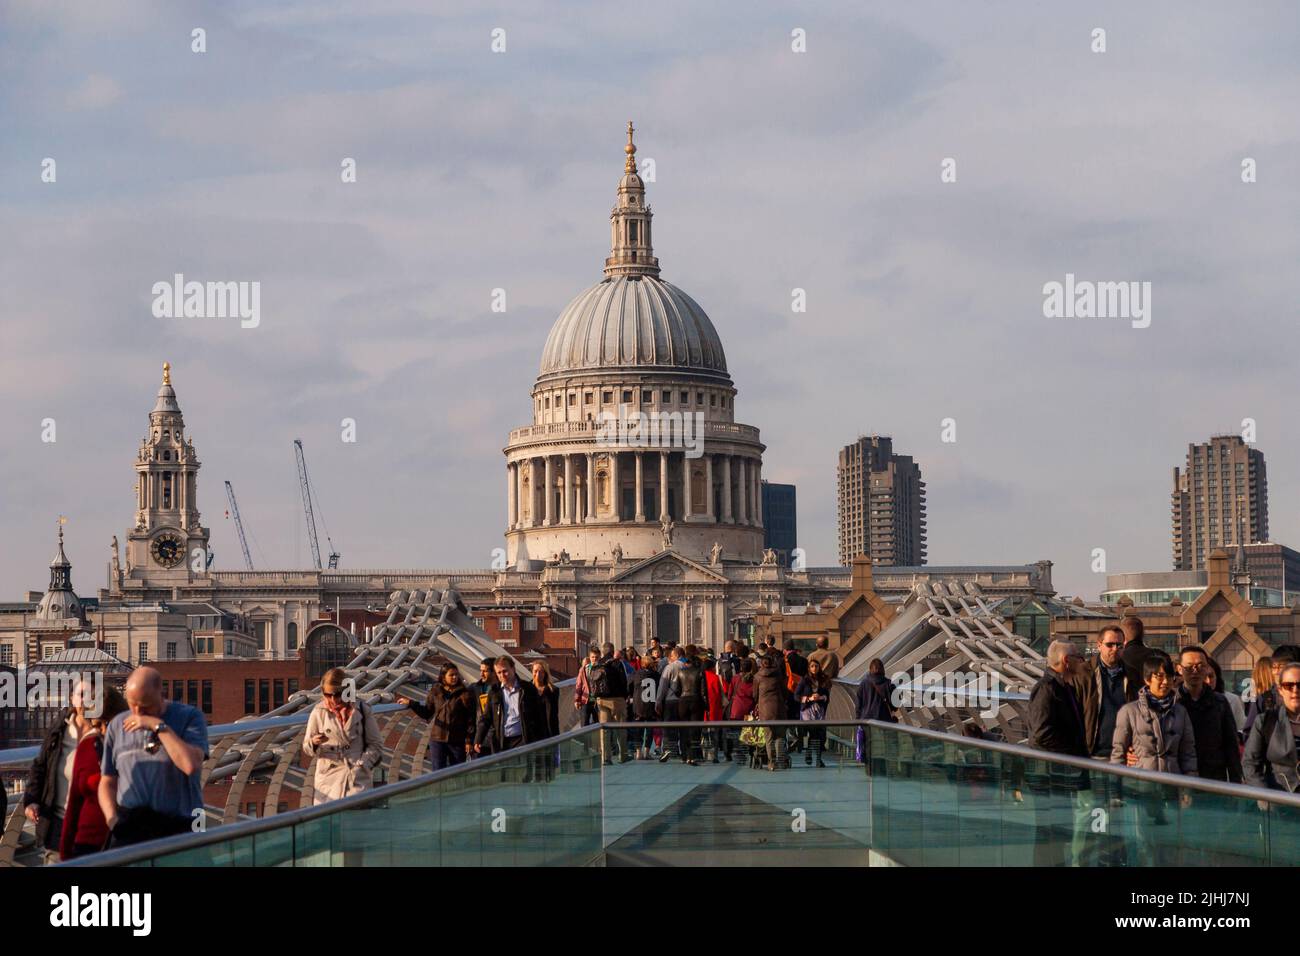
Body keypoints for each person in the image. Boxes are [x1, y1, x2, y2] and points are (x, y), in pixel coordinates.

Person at [99, 667, 209, 846]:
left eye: (144, 705)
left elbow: (190, 765)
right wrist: (112, 820)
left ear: (161, 694)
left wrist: (158, 726)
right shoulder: (117, 725)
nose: (137, 712)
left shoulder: (189, 717)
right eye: (132, 704)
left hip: (180, 823)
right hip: (131, 825)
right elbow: (107, 781)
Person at [23, 678, 98, 863]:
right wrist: (31, 801)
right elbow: (40, 765)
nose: (86, 700)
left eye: (92, 696)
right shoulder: (60, 729)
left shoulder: (104, 733)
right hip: (58, 822)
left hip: (90, 824)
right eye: (81, 695)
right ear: (72, 698)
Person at [58, 687, 128, 860]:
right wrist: (65, 854)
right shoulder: (87, 746)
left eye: (109, 723)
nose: (104, 731)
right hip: (86, 844)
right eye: (97, 725)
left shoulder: (133, 748)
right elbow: (74, 802)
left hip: (123, 843)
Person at [303, 668, 383, 804]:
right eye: (327, 695)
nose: (333, 699)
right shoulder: (319, 712)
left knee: (353, 820)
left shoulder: (362, 709)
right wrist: (314, 742)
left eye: (337, 694)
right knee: (328, 821)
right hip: (328, 780)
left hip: (356, 777)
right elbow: (306, 747)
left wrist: (363, 764)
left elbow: (376, 744)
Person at [1110, 656, 1197, 775]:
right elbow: (1118, 752)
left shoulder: (1180, 712)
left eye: (1169, 677)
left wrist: (1190, 783)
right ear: (1147, 679)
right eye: (1159, 676)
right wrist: (1116, 785)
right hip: (1139, 784)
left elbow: (1188, 752)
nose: (1165, 682)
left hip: (1172, 782)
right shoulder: (1129, 711)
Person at [1176, 646, 1242, 783]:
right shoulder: (1173, 702)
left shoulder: (1220, 702)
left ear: (1206, 668)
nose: (1195, 671)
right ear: (1179, 669)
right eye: (1189, 666)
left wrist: (1236, 780)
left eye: (1200, 666)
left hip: (1214, 777)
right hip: (1180, 775)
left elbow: (1231, 744)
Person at [397, 663, 475, 772]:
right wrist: (411, 703)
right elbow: (427, 712)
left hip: (457, 740)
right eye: (451, 675)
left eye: (456, 675)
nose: (455, 677)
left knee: (458, 772)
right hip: (438, 739)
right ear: (443, 677)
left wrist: (469, 741)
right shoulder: (436, 691)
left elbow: (470, 719)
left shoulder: (465, 694)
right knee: (438, 773)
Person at [1077, 625, 1136, 758]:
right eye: (1110, 645)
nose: (1115, 649)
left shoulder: (1132, 674)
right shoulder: (1083, 674)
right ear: (1099, 645)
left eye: (1119, 645)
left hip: (1125, 755)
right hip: (1093, 754)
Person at [1243, 661, 1300, 791]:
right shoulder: (1266, 721)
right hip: (1280, 801)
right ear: (1280, 690)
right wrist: (1265, 796)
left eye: (1299, 685)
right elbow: (1250, 763)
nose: (1295, 690)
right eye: (1288, 685)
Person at [1027, 641, 1088, 756]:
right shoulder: (1046, 688)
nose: (1081, 661)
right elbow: (1041, 734)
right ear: (1066, 660)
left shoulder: (1065, 686)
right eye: (1078, 657)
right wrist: (1073, 752)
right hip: (1055, 765)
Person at [475, 657, 542, 754]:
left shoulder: (527, 689)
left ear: (513, 669)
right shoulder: (494, 692)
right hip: (502, 742)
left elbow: (538, 715)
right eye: (499, 673)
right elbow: (486, 717)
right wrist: (478, 739)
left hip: (523, 740)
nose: (502, 675)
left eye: (505, 671)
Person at [589, 642, 630, 764]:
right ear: (612, 651)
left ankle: (605, 758)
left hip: (601, 700)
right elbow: (624, 681)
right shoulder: (617, 663)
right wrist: (625, 696)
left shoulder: (597, 663)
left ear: (602, 651)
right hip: (617, 700)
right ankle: (623, 755)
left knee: (605, 730)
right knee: (620, 728)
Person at [671, 645, 708, 765]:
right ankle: (694, 755)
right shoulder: (699, 672)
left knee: (683, 729)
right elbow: (703, 691)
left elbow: (676, 689)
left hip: (683, 701)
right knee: (695, 729)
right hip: (696, 701)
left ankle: (684, 755)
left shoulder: (680, 672)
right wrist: (706, 705)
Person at [754, 651, 788, 770]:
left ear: (762, 664)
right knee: (779, 736)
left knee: (769, 737)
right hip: (779, 707)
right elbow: (785, 691)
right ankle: (781, 761)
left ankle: (771, 763)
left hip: (765, 709)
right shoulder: (778, 674)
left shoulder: (757, 676)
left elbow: (755, 695)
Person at [795, 659, 832, 767]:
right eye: (812, 666)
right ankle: (814, 757)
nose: (814, 668)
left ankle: (814, 756)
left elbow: (827, 696)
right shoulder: (804, 680)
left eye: (816, 666)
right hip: (807, 710)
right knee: (813, 733)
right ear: (809, 668)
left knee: (819, 735)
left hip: (819, 710)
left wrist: (821, 697)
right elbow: (796, 696)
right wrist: (808, 699)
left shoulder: (823, 680)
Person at [531, 660, 560, 781]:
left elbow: (554, 712)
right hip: (534, 729)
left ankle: (549, 783)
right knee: (536, 761)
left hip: (549, 729)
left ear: (546, 674)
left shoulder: (553, 690)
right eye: (535, 671)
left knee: (549, 761)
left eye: (541, 672)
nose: (538, 674)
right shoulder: (528, 689)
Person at [726, 658, 757, 762]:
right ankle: (748, 751)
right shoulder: (754, 679)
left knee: (735, 732)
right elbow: (755, 695)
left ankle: (737, 751)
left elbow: (729, 694)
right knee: (748, 731)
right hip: (749, 709)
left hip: (736, 708)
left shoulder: (735, 678)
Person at [629, 653, 659, 759]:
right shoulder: (656, 675)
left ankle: (638, 752)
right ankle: (647, 751)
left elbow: (629, 686)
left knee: (638, 728)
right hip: (651, 704)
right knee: (650, 729)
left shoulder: (636, 674)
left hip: (638, 704)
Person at [468, 658, 499, 757]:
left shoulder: (503, 688)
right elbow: (469, 715)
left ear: (494, 672)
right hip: (481, 738)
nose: (481, 674)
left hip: (498, 737)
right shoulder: (474, 688)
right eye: (481, 671)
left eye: (485, 671)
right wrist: (469, 739)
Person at [1205, 658, 1246, 736]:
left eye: (1211, 676)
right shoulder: (1188, 701)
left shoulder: (1232, 700)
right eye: (1204, 677)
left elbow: (1241, 728)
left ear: (1217, 676)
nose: (1208, 681)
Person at [702, 653, 728, 763]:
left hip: (703, 709)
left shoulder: (701, 676)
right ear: (712, 667)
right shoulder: (715, 678)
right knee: (715, 733)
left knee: (703, 733)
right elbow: (719, 693)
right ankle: (715, 756)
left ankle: (704, 754)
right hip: (715, 709)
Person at [1118, 616, 1150, 701]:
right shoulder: (1158, 656)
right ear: (1142, 634)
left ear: (1123, 636)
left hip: (1130, 706)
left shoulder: (1119, 658)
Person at [856, 658, 896, 722]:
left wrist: (858, 721)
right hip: (884, 722)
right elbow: (895, 705)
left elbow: (858, 706)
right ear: (883, 669)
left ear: (870, 670)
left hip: (866, 721)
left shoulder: (863, 683)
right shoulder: (889, 684)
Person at [573, 646, 601, 728]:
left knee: (598, 724)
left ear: (599, 657)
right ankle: (585, 741)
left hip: (598, 700)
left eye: (596, 657)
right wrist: (577, 699)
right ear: (590, 657)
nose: (594, 659)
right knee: (584, 723)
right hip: (586, 700)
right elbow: (579, 685)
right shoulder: (584, 669)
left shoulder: (603, 669)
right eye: (592, 657)